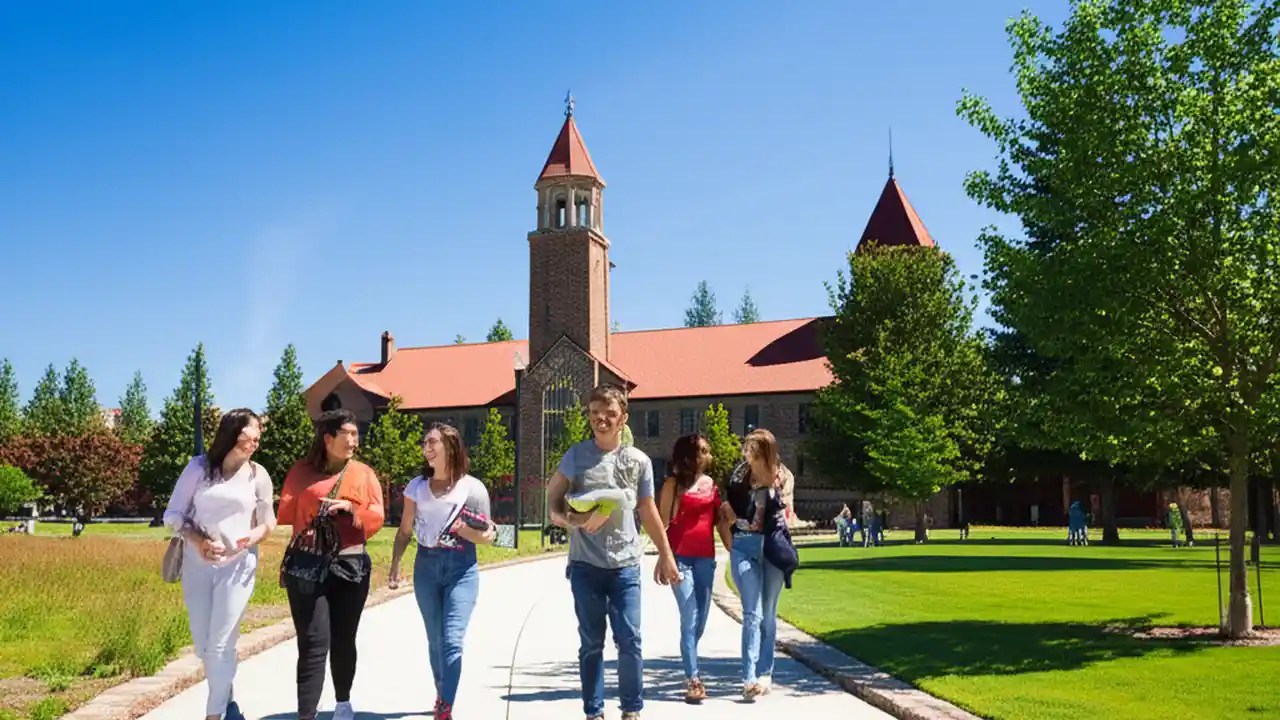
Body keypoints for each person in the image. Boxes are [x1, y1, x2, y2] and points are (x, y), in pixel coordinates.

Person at [547, 384, 680, 720]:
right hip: (585, 566)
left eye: (608, 414)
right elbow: (553, 504)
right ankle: (594, 712)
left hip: (625, 566)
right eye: (594, 414)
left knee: (630, 640)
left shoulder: (638, 462)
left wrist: (666, 554)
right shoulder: (576, 456)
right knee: (591, 643)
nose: (600, 420)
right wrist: (575, 519)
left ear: (623, 418)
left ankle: (631, 710)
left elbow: (648, 510)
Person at [162, 408, 275, 720]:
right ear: (230, 435)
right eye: (246, 438)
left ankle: (214, 715)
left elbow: (269, 523)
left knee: (222, 643)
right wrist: (197, 540)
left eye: (257, 439)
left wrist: (253, 535)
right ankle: (228, 701)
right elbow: (172, 516)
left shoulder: (258, 475)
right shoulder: (199, 468)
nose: (253, 444)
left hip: (238, 568)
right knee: (204, 646)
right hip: (197, 566)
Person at [277, 409, 385, 720]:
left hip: (350, 566)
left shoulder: (364, 473)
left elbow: (377, 515)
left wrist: (351, 508)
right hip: (307, 564)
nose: (354, 440)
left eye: (356, 433)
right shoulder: (300, 471)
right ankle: (306, 714)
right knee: (312, 642)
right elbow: (285, 513)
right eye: (347, 434)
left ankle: (343, 702)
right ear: (328, 438)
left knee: (343, 637)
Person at [389, 422, 496, 720]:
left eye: (433, 442)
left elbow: (489, 536)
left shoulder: (473, 487)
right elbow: (404, 532)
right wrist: (395, 564)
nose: (427, 447)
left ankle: (445, 707)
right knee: (435, 639)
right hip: (426, 567)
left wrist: (469, 532)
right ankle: (442, 692)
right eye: (425, 443)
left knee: (451, 639)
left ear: (450, 446)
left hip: (462, 569)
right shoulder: (417, 487)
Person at [720, 428, 796, 701]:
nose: (746, 456)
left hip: (773, 549)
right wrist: (733, 541)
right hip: (745, 547)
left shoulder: (784, 477)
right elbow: (726, 516)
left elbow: (785, 516)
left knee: (768, 612)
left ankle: (766, 673)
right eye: (746, 451)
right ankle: (749, 678)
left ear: (766, 453)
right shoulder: (740, 476)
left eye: (752, 452)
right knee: (752, 613)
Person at [657, 433, 731, 703]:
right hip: (680, 558)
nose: (708, 455)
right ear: (689, 455)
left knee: (700, 621)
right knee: (689, 617)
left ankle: (689, 656)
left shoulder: (711, 484)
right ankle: (693, 679)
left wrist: (732, 540)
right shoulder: (672, 485)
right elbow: (661, 524)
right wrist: (663, 558)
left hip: (705, 560)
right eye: (703, 450)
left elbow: (719, 521)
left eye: (707, 450)